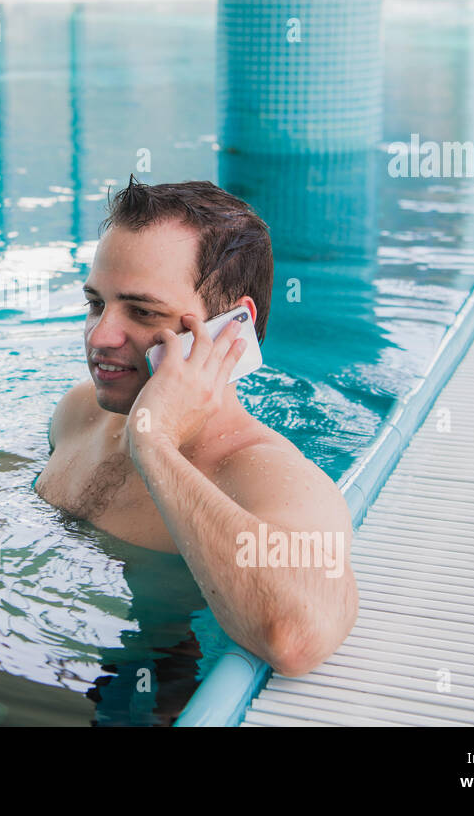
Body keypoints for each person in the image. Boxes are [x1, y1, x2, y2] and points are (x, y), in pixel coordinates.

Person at [35, 175, 358, 677]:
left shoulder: (268, 479)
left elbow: (296, 637)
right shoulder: (80, 412)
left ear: (231, 326)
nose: (100, 336)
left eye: (142, 311)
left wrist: (156, 443)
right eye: (96, 303)